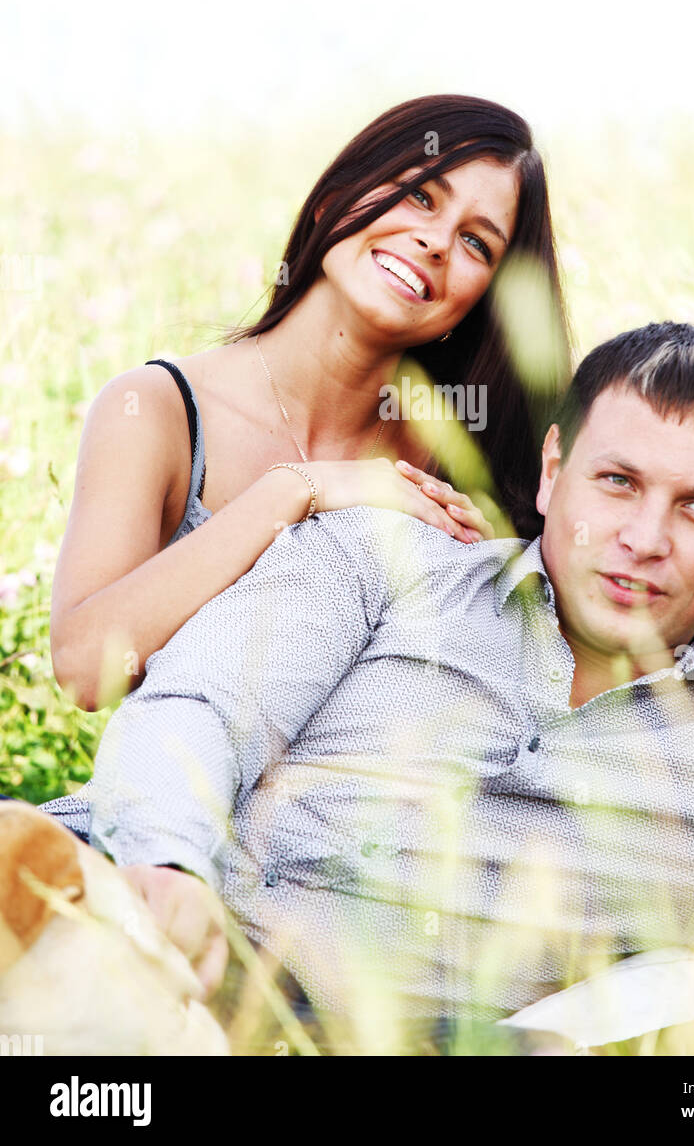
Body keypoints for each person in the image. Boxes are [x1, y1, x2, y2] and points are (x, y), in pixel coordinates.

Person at [41, 323, 694, 1045]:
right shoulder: (376, 564)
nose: (645, 538)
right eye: (617, 482)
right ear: (553, 473)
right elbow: (199, 709)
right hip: (178, 960)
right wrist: (169, 865)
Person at [47, 94, 571, 717]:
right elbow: (86, 671)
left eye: (476, 244)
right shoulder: (155, 411)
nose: (435, 241)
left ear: (480, 302)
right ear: (337, 197)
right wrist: (295, 490)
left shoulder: (467, 462)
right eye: (420, 195)